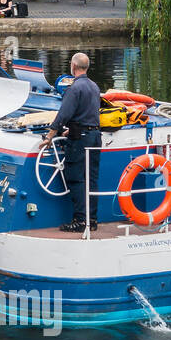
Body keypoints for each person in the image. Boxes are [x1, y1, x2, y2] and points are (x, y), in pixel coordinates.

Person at [38, 52, 102, 232]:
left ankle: (80, 221)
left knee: (76, 179)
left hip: (80, 140)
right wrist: (72, 129)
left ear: (73, 66)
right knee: (92, 179)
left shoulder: (74, 89)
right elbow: (89, 114)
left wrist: (50, 135)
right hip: (95, 136)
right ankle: (93, 220)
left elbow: (63, 115)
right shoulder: (94, 87)